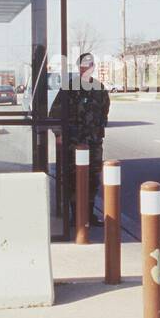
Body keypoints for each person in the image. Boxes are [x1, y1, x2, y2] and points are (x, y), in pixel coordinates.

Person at [50, 52, 111, 226]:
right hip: (74, 143)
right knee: (73, 178)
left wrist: (98, 132)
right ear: (79, 67)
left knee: (92, 178)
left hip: (93, 143)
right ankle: (76, 216)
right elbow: (55, 113)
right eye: (84, 64)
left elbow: (104, 112)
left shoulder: (100, 89)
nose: (87, 67)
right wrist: (59, 134)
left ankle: (89, 215)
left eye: (90, 64)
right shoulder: (69, 88)